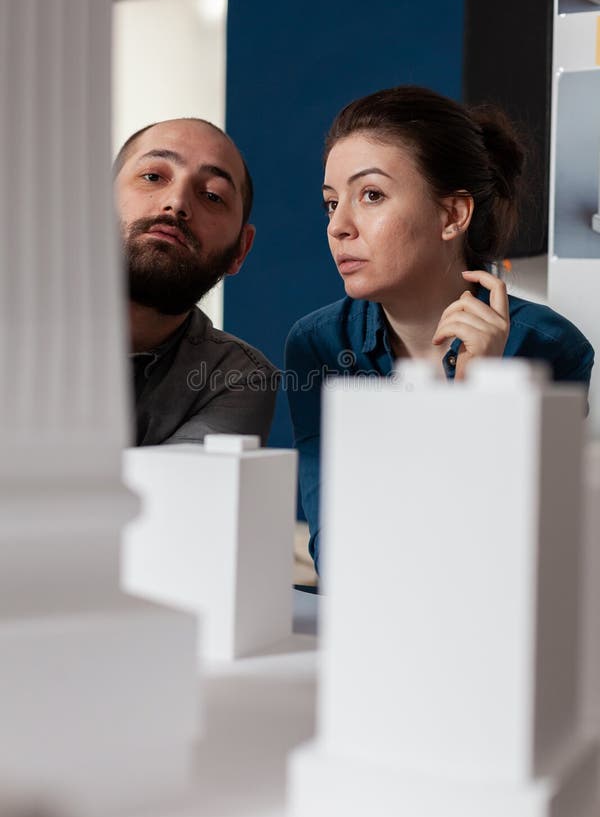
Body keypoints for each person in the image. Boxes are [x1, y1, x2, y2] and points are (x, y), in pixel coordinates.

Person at [285, 86, 594, 575]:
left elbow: (519, 553)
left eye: (371, 195)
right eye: (330, 203)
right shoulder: (318, 344)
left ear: (452, 215)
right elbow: (336, 548)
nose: (338, 226)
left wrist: (480, 395)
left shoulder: (548, 347)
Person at [115, 117, 278, 446]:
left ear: (240, 250)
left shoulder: (236, 377)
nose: (177, 203)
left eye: (212, 196)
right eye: (153, 176)